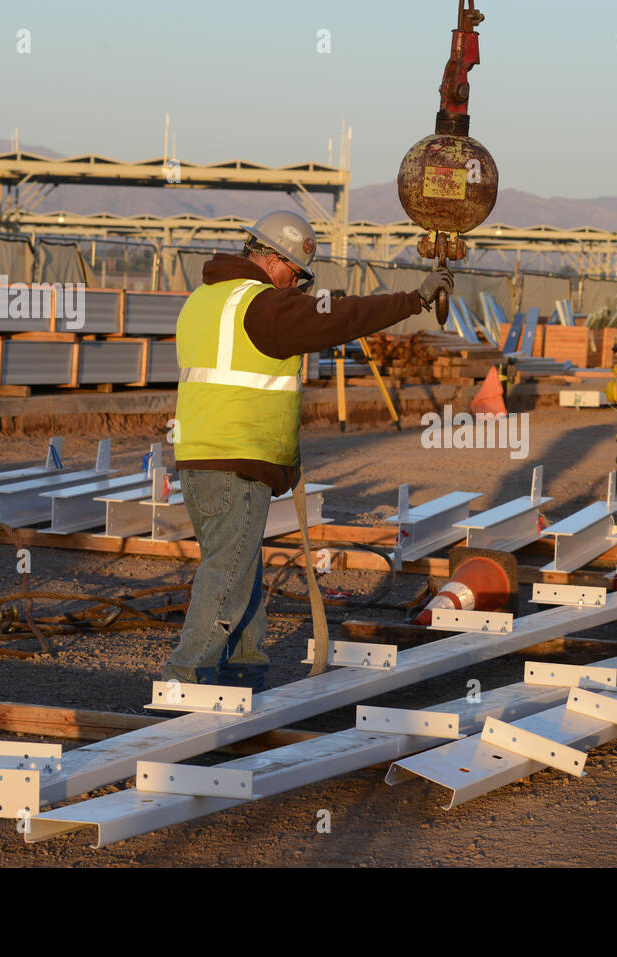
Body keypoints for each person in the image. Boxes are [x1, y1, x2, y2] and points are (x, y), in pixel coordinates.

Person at [164, 210, 453, 690]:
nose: (297, 288)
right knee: (227, 571)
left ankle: (242, 670)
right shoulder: (261, 305)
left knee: (239, 565)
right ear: (276, 261)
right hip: (236, 458)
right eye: (297, 277)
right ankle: (185, 681)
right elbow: (340, 316)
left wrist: (284, 457)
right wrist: (413, 299)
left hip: (200, 456)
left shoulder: (205, 299)